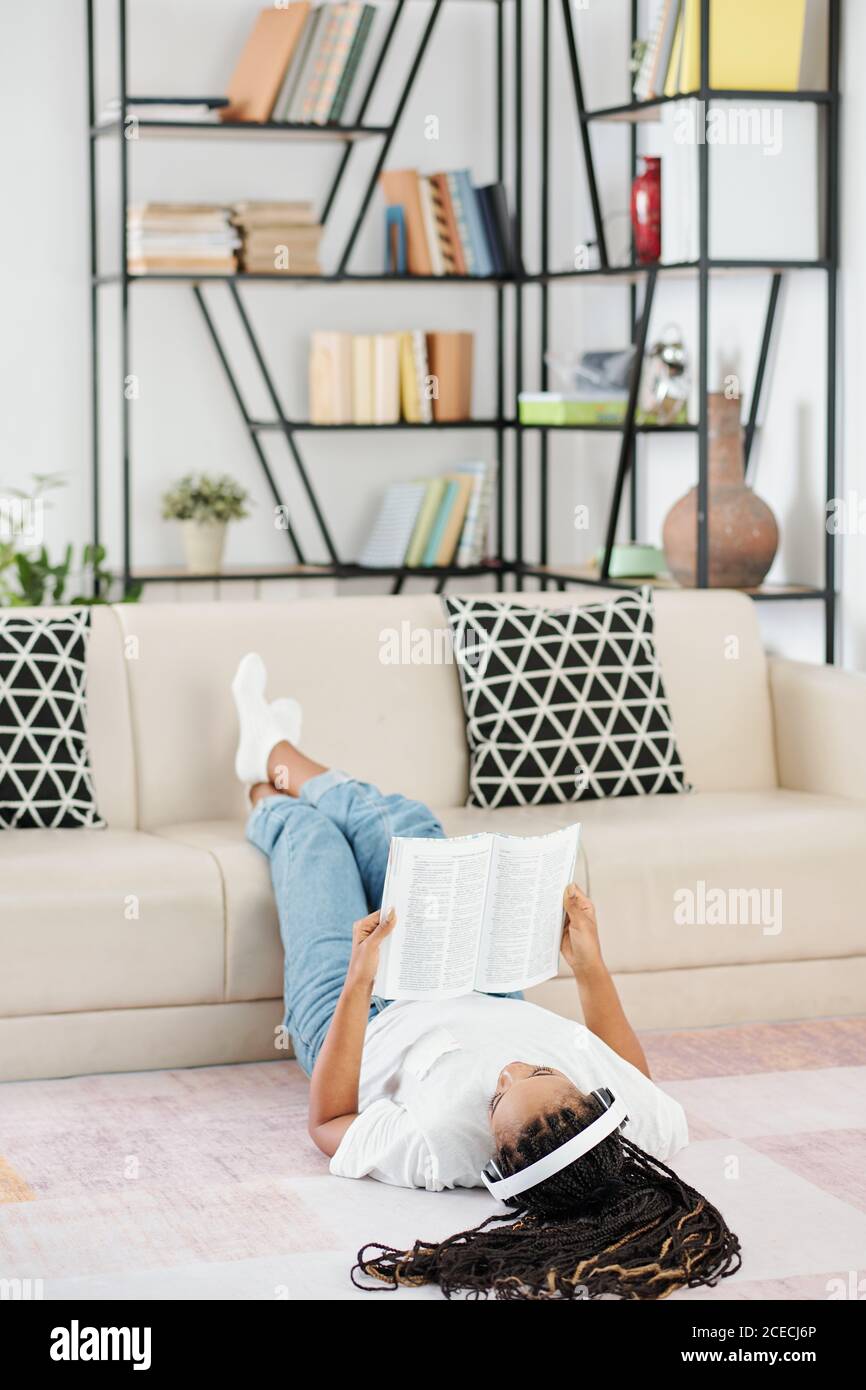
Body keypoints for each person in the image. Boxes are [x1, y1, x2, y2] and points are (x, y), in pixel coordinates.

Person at [234, 653, 741, 1300]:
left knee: (313, 843)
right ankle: (272, 752)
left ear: (493, 1157)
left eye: (498, 1099)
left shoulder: (442, 1145)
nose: (508, 1070)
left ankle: (262, 779)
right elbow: (632, 1073)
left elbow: (328, 1120)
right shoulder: (632, 1125)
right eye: (538, 1071)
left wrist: (361, 979)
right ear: (589, 1102)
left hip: (360, 1015)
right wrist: (589, 964)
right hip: (473, 979)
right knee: (409, 827)